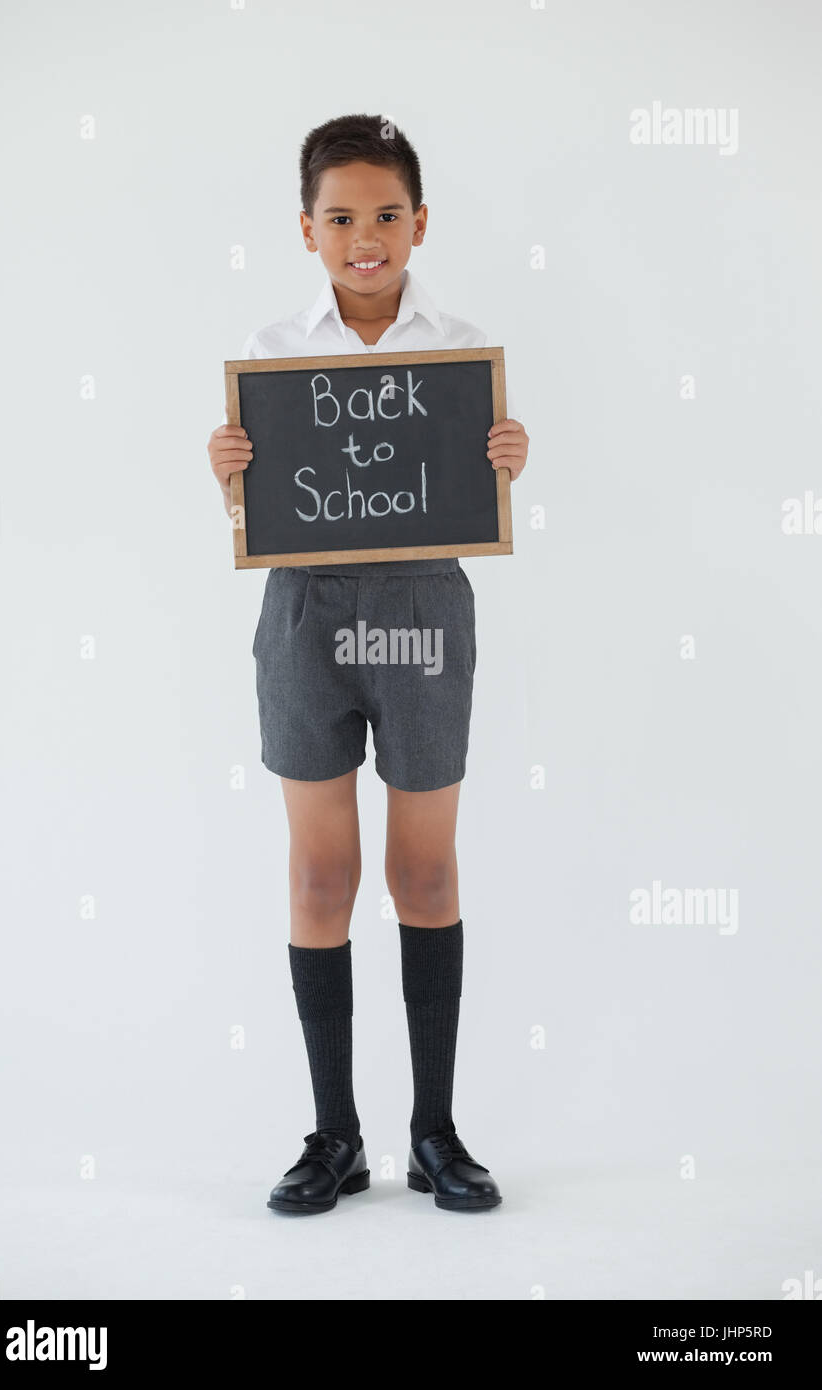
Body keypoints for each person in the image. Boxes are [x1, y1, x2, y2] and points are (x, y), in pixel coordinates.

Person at [208, 113, 528, 1214]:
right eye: (339, 217)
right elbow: (257, 508)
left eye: (385, 215)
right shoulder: (272, 350)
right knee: (318, 875)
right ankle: (332, 1133)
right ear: (306, 229)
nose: (364, 237)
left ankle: (433, 1131)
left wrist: (505, 458)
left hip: (423, 607)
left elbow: (466, 489)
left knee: (426, 871)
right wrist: (229, 474)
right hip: (305, 613)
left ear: (419, 222)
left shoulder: (456, 342)